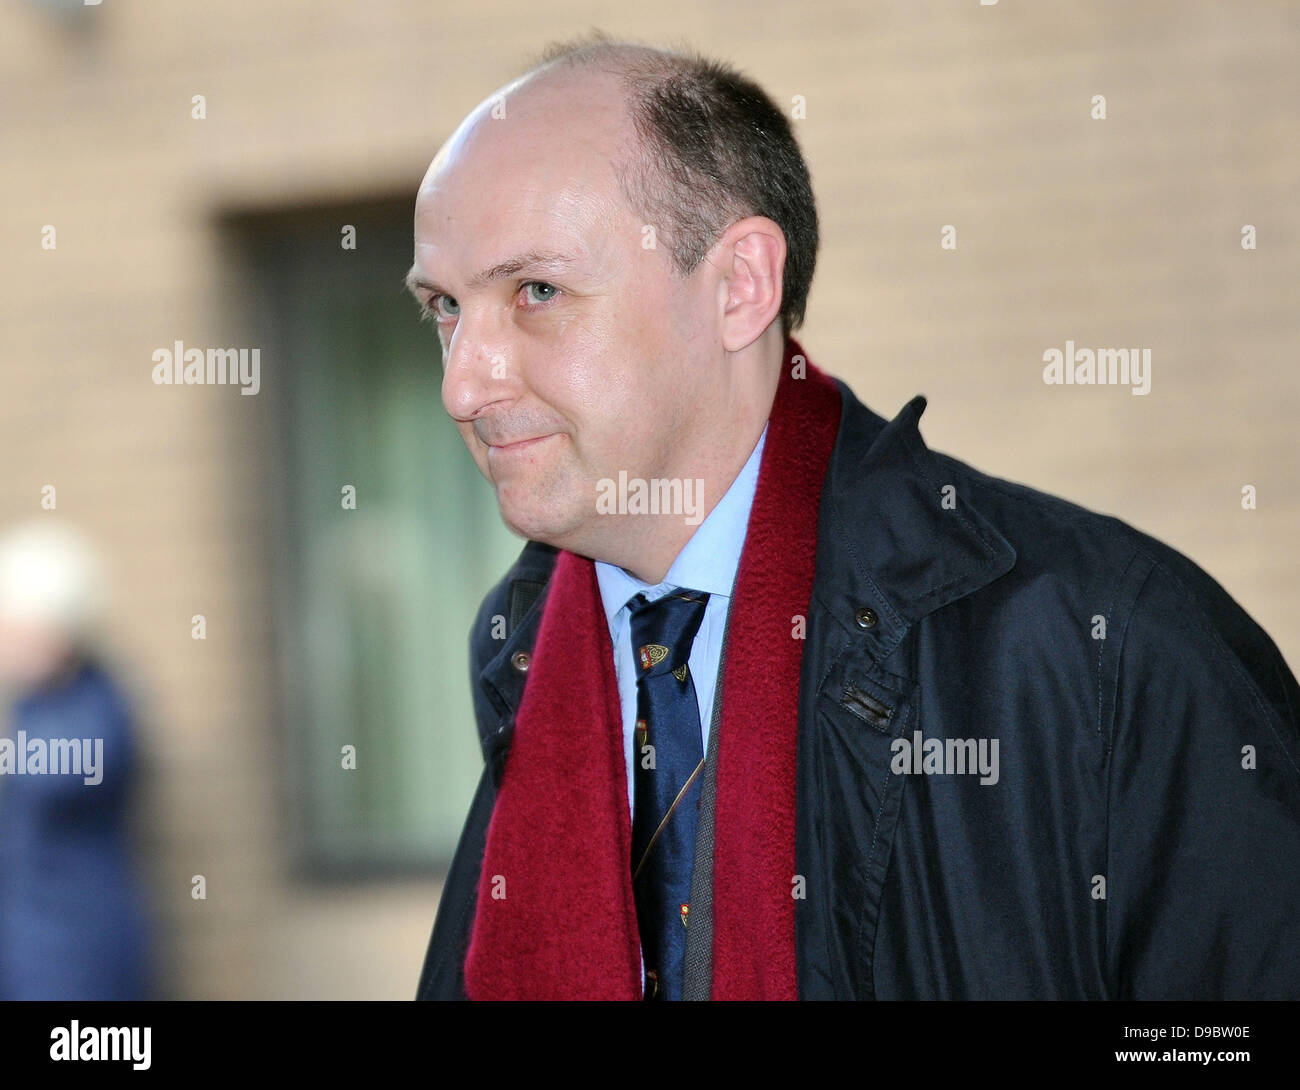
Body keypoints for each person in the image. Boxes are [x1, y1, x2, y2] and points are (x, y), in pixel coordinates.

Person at [409, 33, 1300, 1000]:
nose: (462, 385)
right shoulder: (523, 655)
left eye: (536, 293)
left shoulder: (1105, 649)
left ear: (740, 286)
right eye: (445, 309)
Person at [0, 522, 154, 1000]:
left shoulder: (96, 709)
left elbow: (46, 773)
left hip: (75, 965)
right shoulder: (33, 707)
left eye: (12, 626)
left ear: (54, 631)